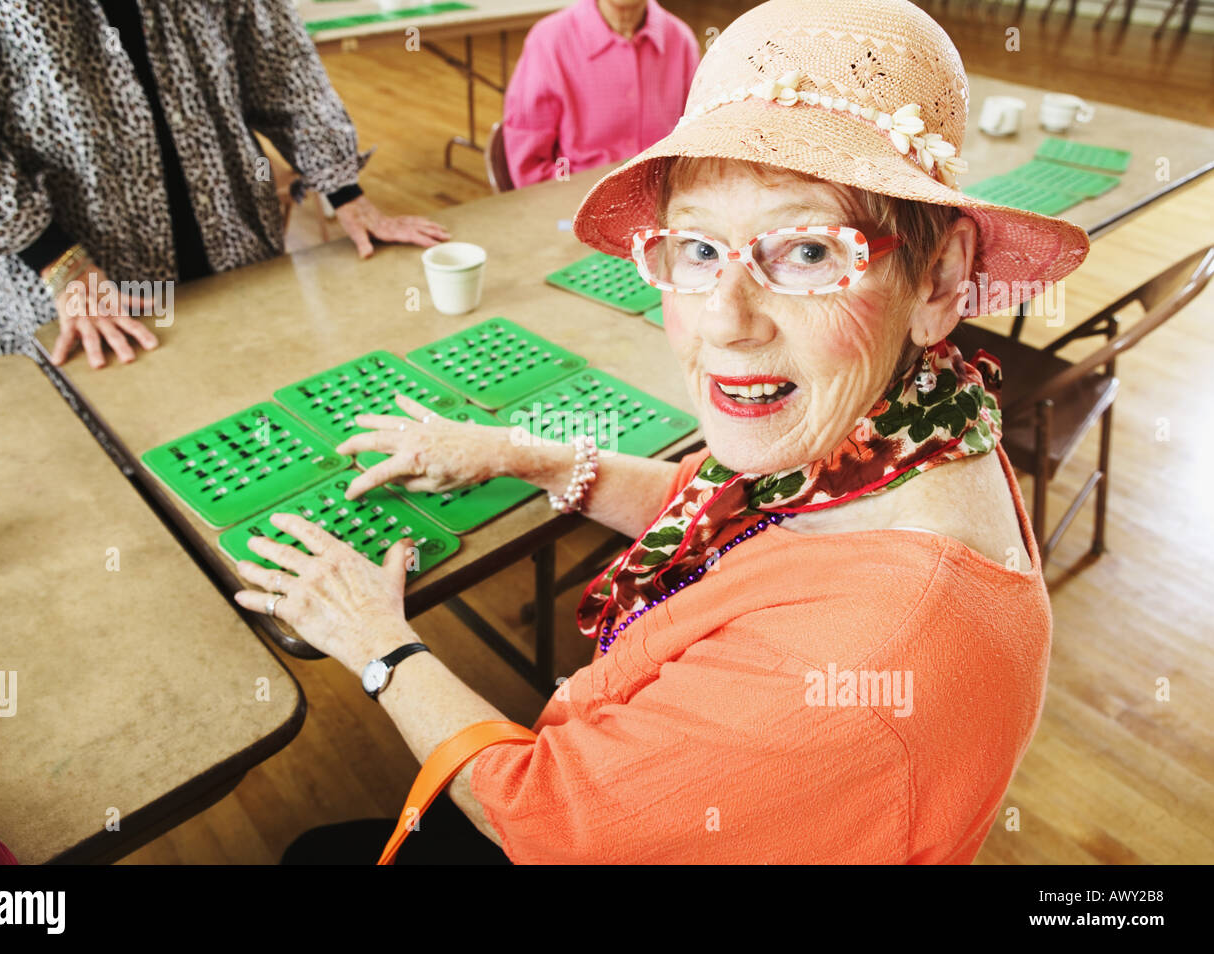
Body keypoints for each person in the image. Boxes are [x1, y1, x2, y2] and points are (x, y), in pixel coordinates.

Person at [237, 0, 1090, 863]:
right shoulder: (917, 431)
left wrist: (377, 643)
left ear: (939, 279)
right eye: (699, 249)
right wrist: (515, 453)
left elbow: (538, 813)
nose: (724, 322)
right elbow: (743, 519)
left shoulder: (857, 660)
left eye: (808, 252)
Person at [0, 0, 448, 367]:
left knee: (254, 407)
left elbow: (276, 55)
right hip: (66, 267)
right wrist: (57, 259)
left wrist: (344, 190)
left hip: (227, 235)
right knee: (118, 453)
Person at [501, 0, 699, 188]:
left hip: (663, 206)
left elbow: (695, 144)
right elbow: (530, 167)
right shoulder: (547, 41)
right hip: (572, 204)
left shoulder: (681, 40)